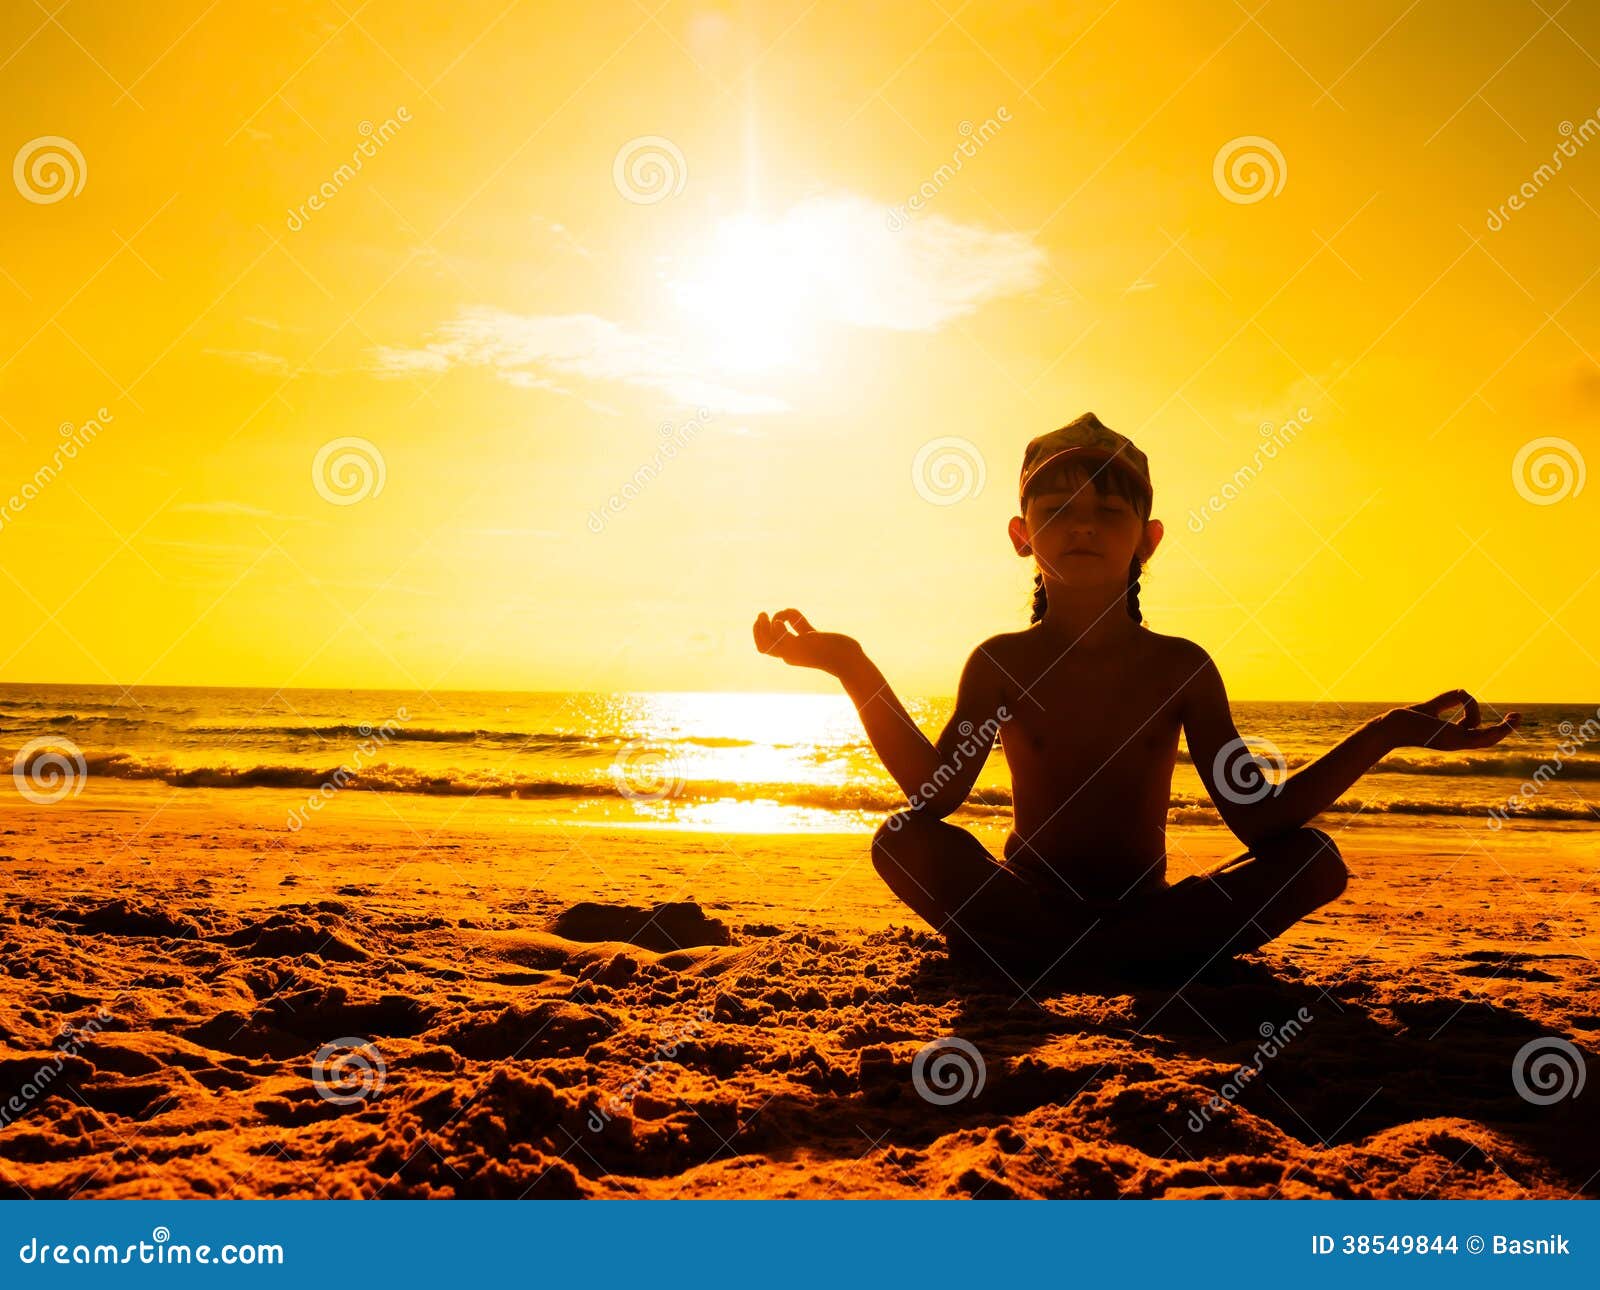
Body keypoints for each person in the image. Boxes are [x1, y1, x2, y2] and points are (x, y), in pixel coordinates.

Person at [752, 412, 1522, 985]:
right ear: (1022, 534)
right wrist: (848, 663)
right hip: (1034, 906)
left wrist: (1384, 732)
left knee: (1313, 860)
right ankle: (1100, 961)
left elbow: (1258, 820)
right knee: (901, 837)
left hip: (1145, 915)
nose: (1081, 526)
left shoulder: (1181, 668)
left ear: (1147, 539)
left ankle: (1074, 961)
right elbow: (934, 793)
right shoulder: (1000, 662)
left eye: (1106, 512)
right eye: (1056, 510)